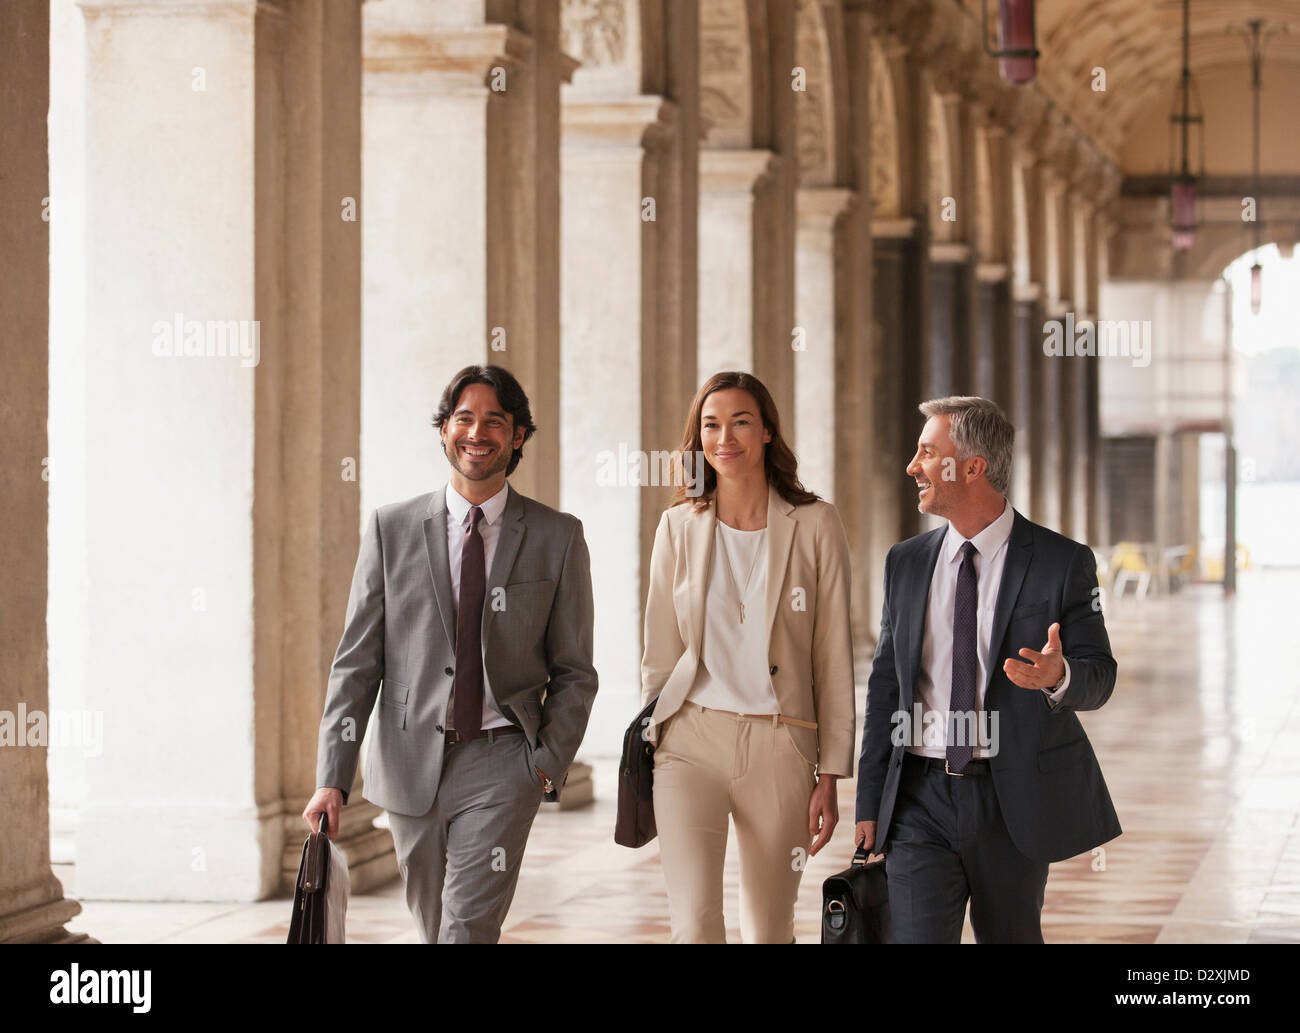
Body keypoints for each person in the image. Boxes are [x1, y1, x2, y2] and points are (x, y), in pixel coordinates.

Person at [303, 364, 598, 943]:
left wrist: (542, 767)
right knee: (433, 925)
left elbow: (574, 671)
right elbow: (357, 664)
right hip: (409, 763)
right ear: (443, 430)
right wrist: (331, 778)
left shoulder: (556, 536)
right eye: (463, 418)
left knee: (466, 927)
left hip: (502, 761)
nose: (477, 432)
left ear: (517, 436)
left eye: (495, 420)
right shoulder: (391, 528)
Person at [854, 395, 1121, 943]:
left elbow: (1100, 675)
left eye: (927, 453)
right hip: (918, 799)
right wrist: (868, 802)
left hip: (1011, 799)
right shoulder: (904, 562)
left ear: (971, 467)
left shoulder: (1062, 562)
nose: (912, 467)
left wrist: (1058, 676)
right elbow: (886, 688)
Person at [641, 370, 857, 943]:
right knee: (693, 925)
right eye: (710, 425)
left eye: (741, 422)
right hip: (689, 742)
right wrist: (653, 736)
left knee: (768, 928)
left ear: (766, 433)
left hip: (780, 745)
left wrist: (830, 771)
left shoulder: (815, 523)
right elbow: (660, 652)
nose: (725, 438)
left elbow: (832, 655)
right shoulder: (678, 525)